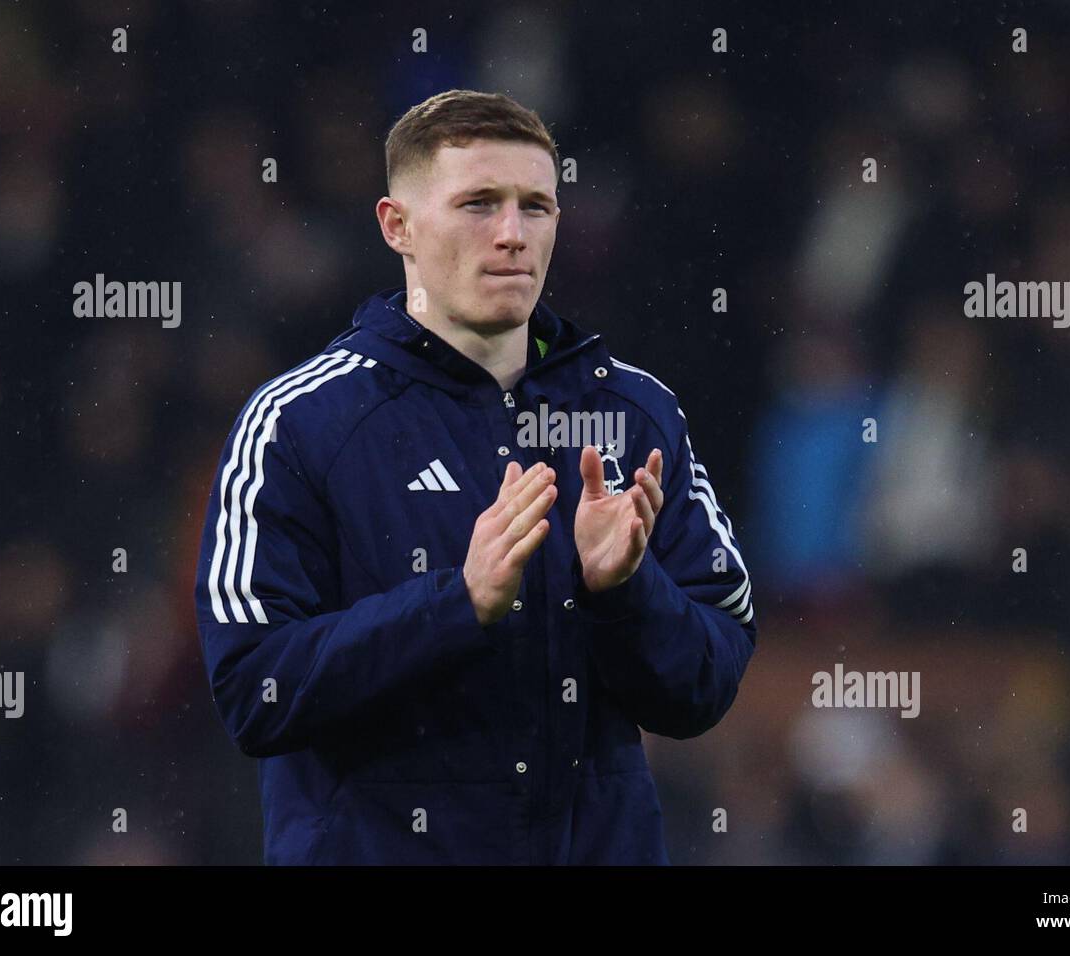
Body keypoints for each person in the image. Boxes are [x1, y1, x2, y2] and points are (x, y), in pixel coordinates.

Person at [193, 89, 756, 864]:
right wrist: (457, 603)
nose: (512, 235)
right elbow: (253, 690)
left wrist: (623, 593)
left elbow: (709, 681)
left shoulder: (635, 413)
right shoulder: (298, 423)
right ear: (398, 226)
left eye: (536, 207)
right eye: (478, 204)